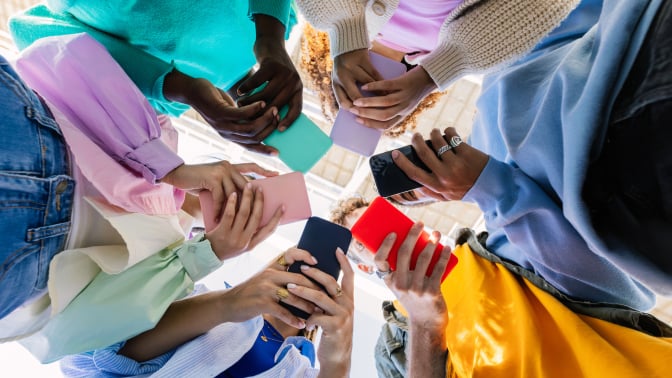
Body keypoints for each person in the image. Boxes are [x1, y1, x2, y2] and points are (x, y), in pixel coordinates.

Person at [0, 33, 282, 357]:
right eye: (241, 185)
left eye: (251, 215)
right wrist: (169, 168)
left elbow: (68, 334)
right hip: (27, 137)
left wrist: (209, 253)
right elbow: (57, 54)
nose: (237, 202)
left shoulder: (174, 271)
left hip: (24, 256)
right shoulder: (155, 135)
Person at [392, 0, 672, 301]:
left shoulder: (492, 91)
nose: (421, 179)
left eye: (411, 176)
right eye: (411, 192)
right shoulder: (503, 228)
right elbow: (619, 294)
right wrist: (488, 187)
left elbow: (554, 19)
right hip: (634, 176)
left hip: (633, 59)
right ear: (436, 200)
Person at [10, 0, 303, 155]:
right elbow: (34, 31)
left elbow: (35, 32)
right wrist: (271, 37)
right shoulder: (273, 22)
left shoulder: (167, 92)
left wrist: (183, 89)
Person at [59, 246, 355, 378]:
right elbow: (103, 359)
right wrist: (226, 304)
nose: (304, 287)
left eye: (322, 288)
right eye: (296, 273)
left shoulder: (301, 368)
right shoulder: (204, 304)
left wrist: (338, 357)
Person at [294, 0, 579, 129]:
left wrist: (343, 29)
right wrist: (432, 76)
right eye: (376, 112)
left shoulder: (341, 12)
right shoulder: (462, 49)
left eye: (350, 97)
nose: (367, 97)